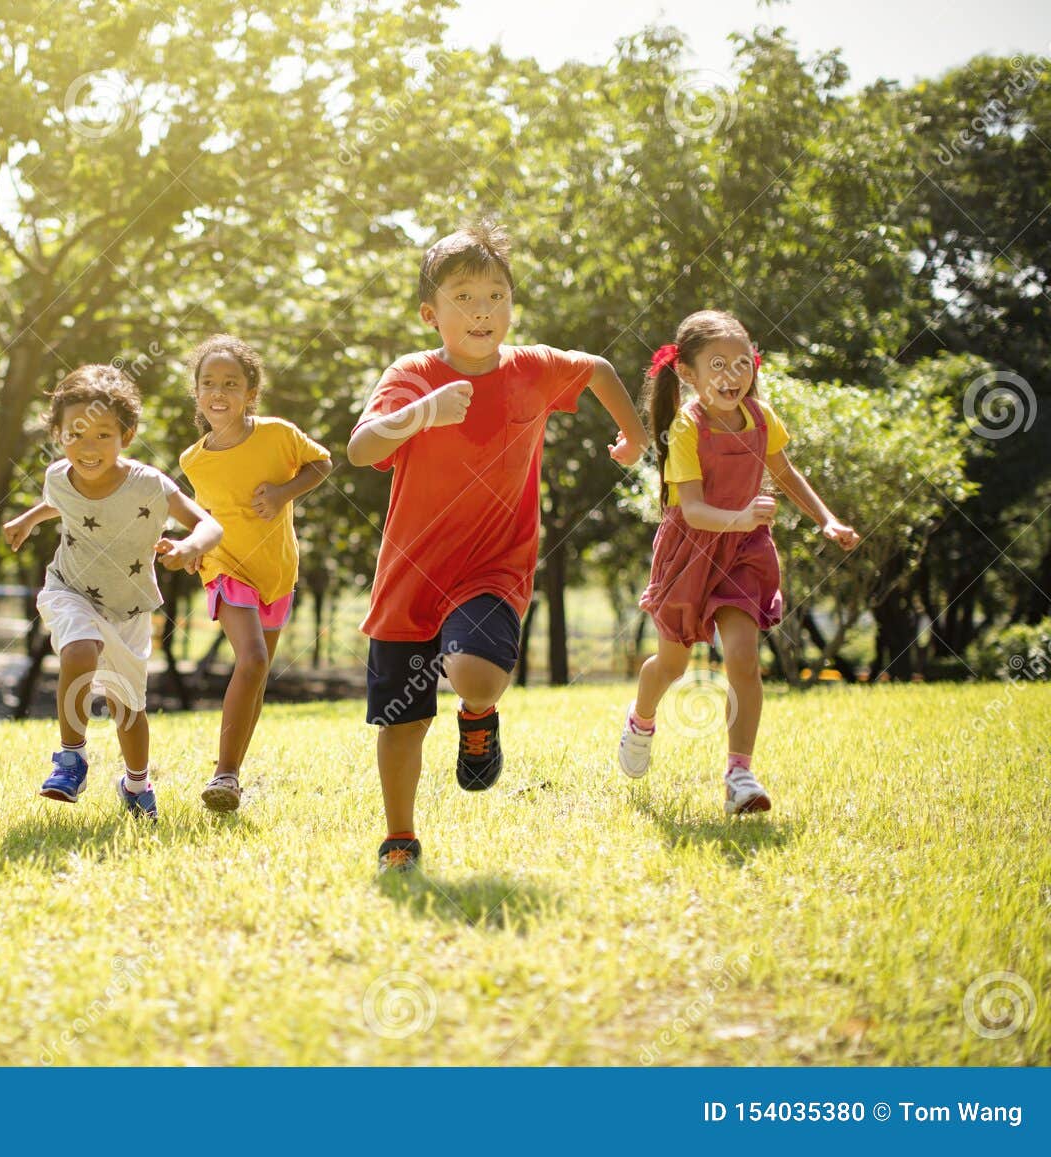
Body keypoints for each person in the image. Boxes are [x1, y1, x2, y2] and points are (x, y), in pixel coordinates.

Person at [347, 221, 650, 871]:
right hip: (409, 576)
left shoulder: (532, 370)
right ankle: (400, 835)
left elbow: (596, 369)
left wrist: (634, 436)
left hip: (491, 568)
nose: (483, 310)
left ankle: (478, 714)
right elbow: (361, 446)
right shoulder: (411, 374)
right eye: (463, 296)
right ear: (431, 313)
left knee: (475, 672)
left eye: (496, 295)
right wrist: (420, 413)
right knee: (402, 720)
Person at [618, 309, 859, 814]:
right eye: (718, 365)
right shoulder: (687, 427)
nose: (733, 376)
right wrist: (746, 514)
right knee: (672, 664)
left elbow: (785, 473)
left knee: (744, 660)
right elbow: (696, 510)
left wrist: (827, 519)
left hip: (745, 552)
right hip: (692, 551)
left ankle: (739, 774)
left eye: (742, 363)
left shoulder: (762, 417)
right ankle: (641, 721)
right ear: (688, 373)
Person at [4, 364, 222, 821]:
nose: (88, 447)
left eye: (103, 435)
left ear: (127, 434)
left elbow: (209, 523)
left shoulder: (149, 484)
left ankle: (137, 784)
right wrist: (28, 519)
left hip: (129, 605)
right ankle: (70, 759)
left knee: (128, 709)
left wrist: (188, 547)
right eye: (76, 435)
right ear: (58, 434)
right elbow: (61, 502)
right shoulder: (58, 476)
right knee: (80, 650)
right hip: (70, 588)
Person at [178, 335, 331, 811]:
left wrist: (285, 492)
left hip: (276, 568)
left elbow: (322, 463)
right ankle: (223, 772)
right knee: (254, 660)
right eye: (208, 383)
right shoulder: (193, 460)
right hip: (224, 565)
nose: (218, 392)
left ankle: (231, 780)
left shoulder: (278, 434)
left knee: (258, 671)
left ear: (250, 393)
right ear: (197, 393)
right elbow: (199, 513)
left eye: (230, 383)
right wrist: (187, 547)